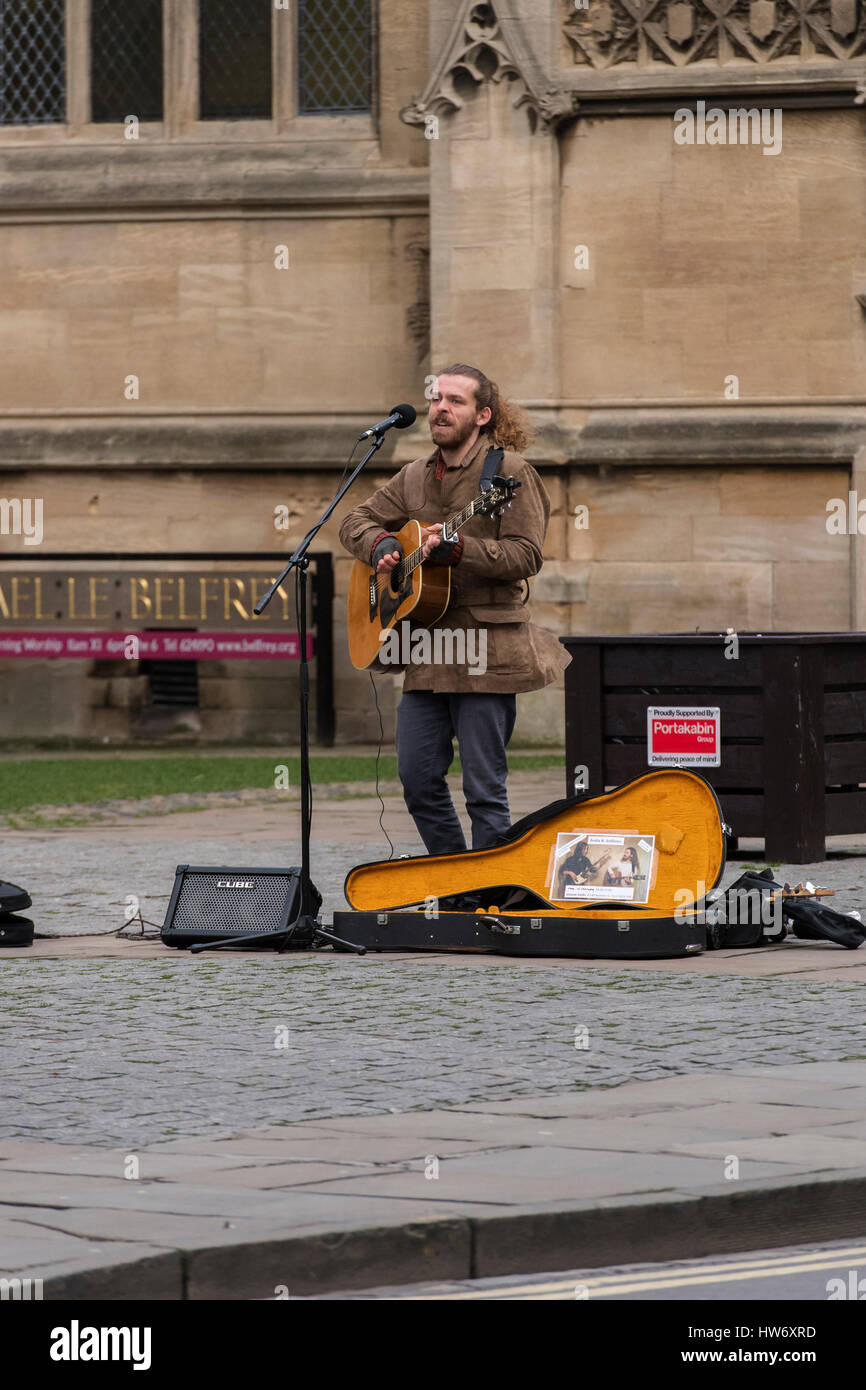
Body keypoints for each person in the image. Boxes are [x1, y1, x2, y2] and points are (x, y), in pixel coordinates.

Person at [339, 363, 569, 855]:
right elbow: (354, 520)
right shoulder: (414, 474)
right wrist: (379, 544)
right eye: (437, 398)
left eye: (455, 401)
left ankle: (489, 895)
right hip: (427, 650)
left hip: (488, 650)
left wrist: (460, 549)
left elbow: (526, 556)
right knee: (417, 778)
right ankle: (455, 881)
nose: (440, 408)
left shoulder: (509, 474)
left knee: (485, 792)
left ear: (483, 415)